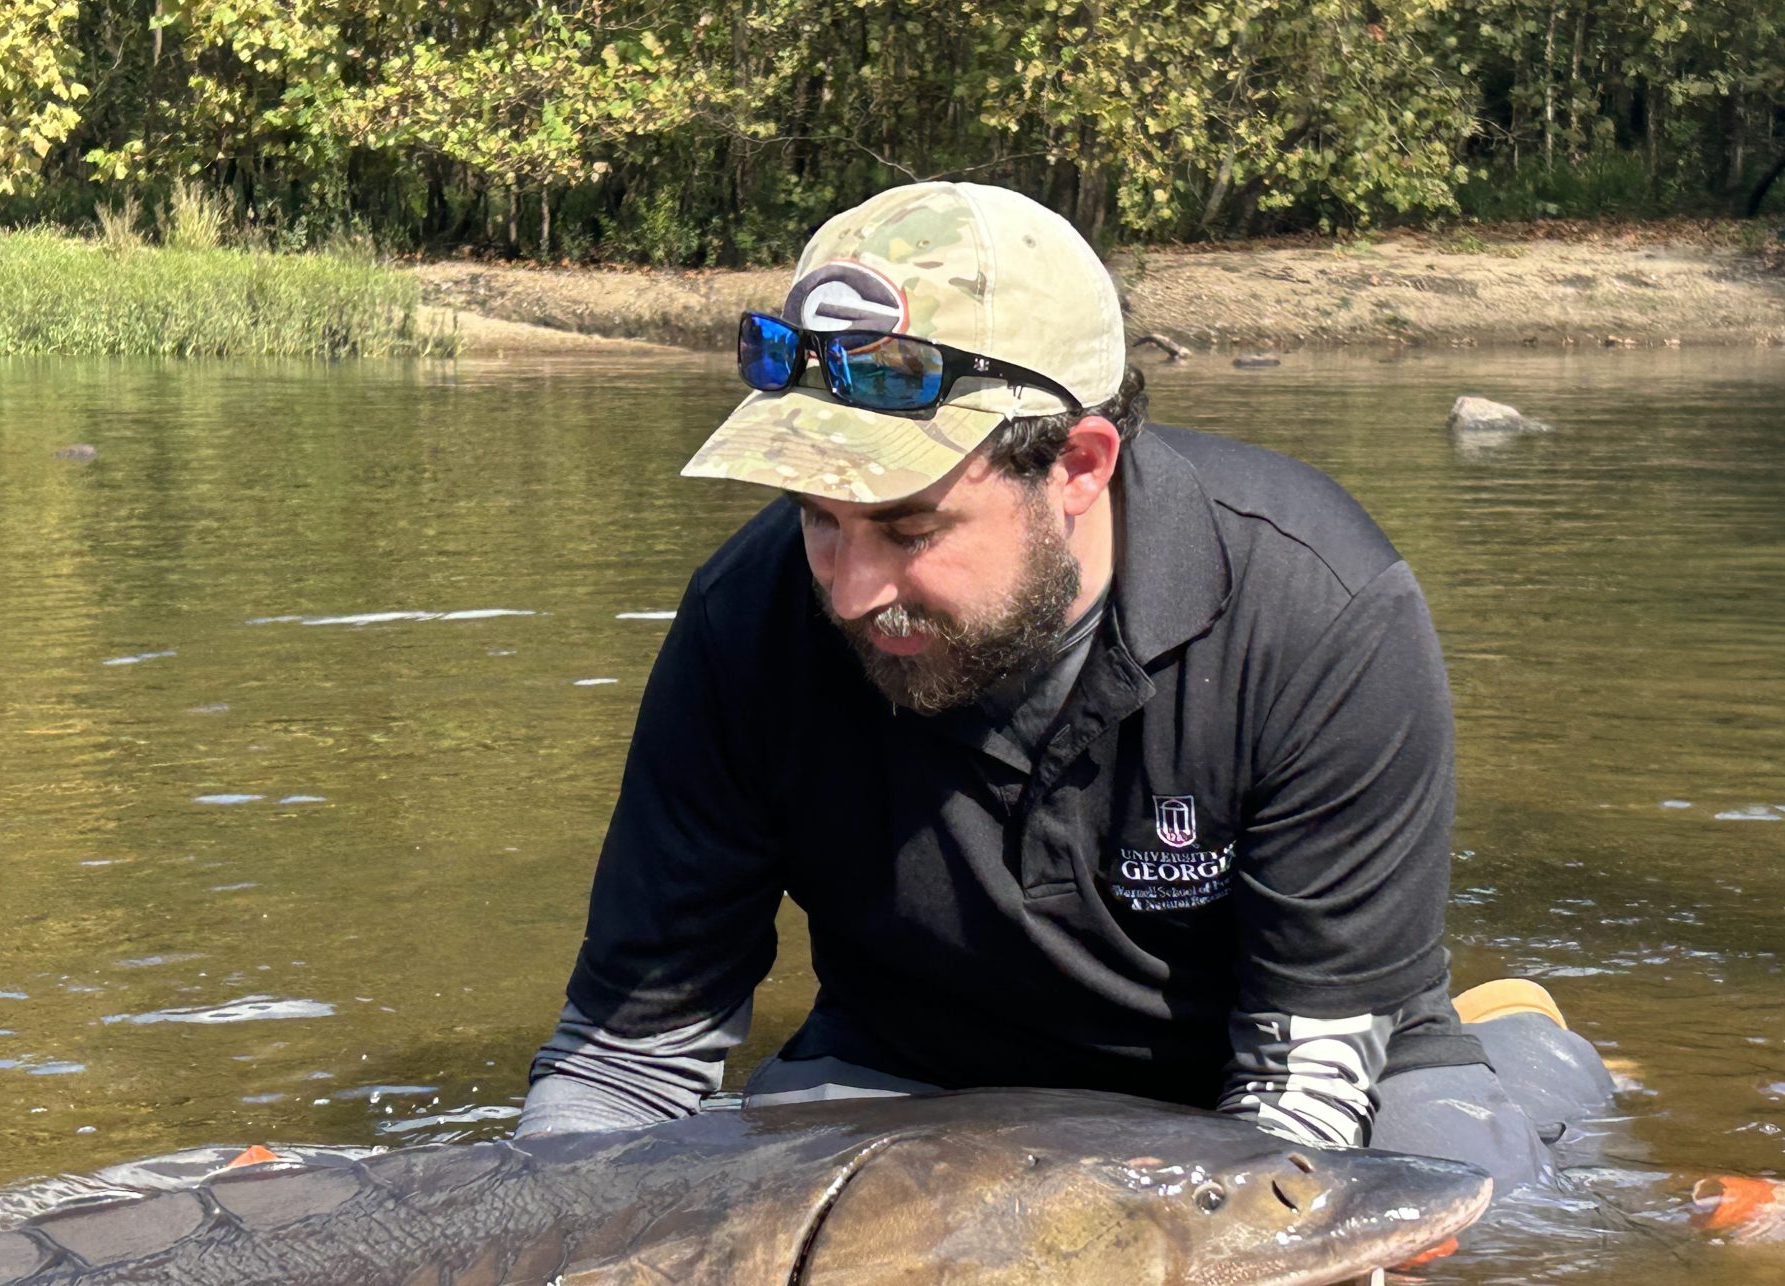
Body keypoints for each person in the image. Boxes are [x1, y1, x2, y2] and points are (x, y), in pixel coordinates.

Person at [516, 181, 1611, 1189]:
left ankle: (1522, 1049)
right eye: (817, 517)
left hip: (1306, 1056)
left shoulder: (1318, 607)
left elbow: (1300, 1104)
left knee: (1442, 1238)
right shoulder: (745, 618)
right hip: (915, 1079)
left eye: (907, 527)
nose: (848, 591)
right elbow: (626, 1057)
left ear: (1080, 464)